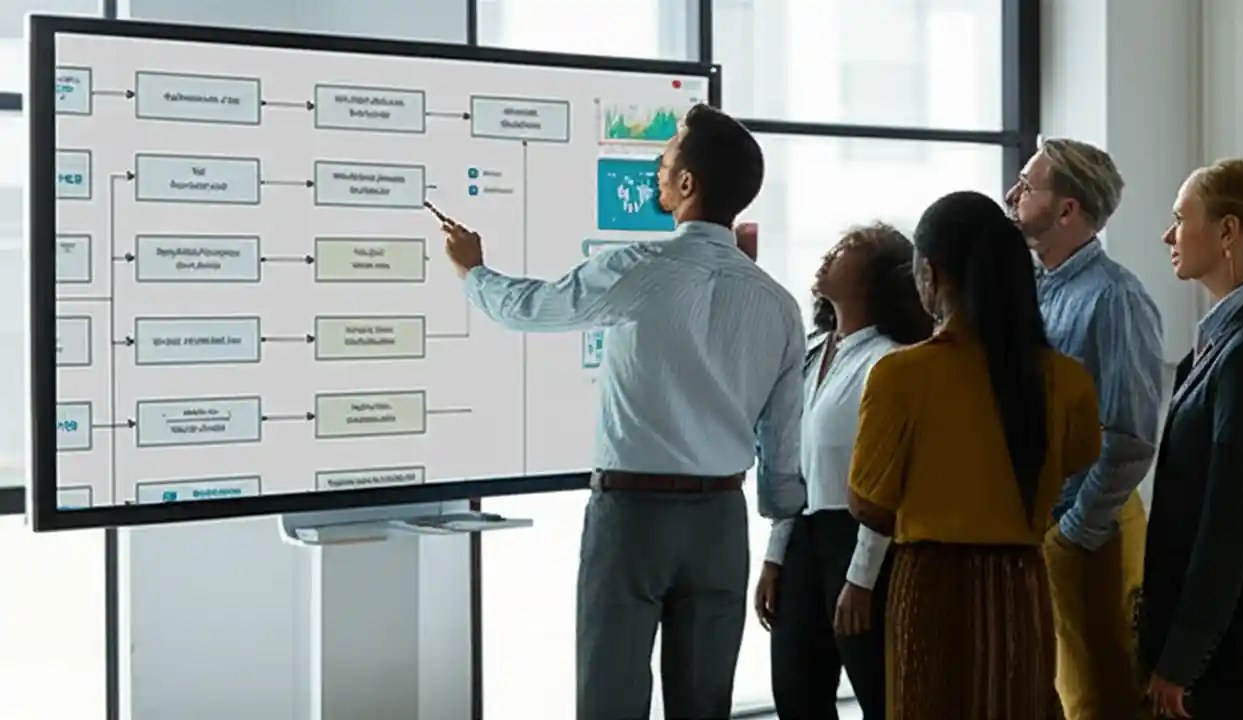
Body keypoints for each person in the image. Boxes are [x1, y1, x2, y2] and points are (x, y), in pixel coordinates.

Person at [440, 103, 807, 720]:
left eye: (664, 161)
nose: (656, 170)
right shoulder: (780, 306)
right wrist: (778, 525)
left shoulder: (639, 268)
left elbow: (530, 308)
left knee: (610, 700)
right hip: (721, 522)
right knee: (705, 705)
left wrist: (472, 271)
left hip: (633, 518)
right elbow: (781, 454)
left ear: (687, 184)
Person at [847, 190, 1102, 720]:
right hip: (1020, 587)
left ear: (930, 276)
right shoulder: (1064, 378)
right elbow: (1076, 460)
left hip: (930, 588)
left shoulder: (902, 376)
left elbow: (869, 502)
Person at [1006, 138, 1164, 720]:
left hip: (1091, 528)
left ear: (1067, 209)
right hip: (1041, 525)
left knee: (1104, 696)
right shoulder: (1029, 290)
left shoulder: (1115, 297)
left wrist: (1074, 531)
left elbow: (1131, 433)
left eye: (1027, 185)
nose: (1012, 195)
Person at [753, 223, 932, 720]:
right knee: (796, 692)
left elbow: (889, 481)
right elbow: (791, 460)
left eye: (845, 250)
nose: (828, 256)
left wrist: (861, 578)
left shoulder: (889, 362)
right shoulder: (812, 352)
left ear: (875, 278)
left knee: (879, 693)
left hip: (861, 541)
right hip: (804, 537)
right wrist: (776, 556)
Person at [1140, 158, 1243, 719]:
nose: (1168, 234)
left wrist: (1183, 659)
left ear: (1228, 231)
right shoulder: (1231, 339)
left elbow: (1231, 515)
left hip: (1241, 656)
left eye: (1180, 217)